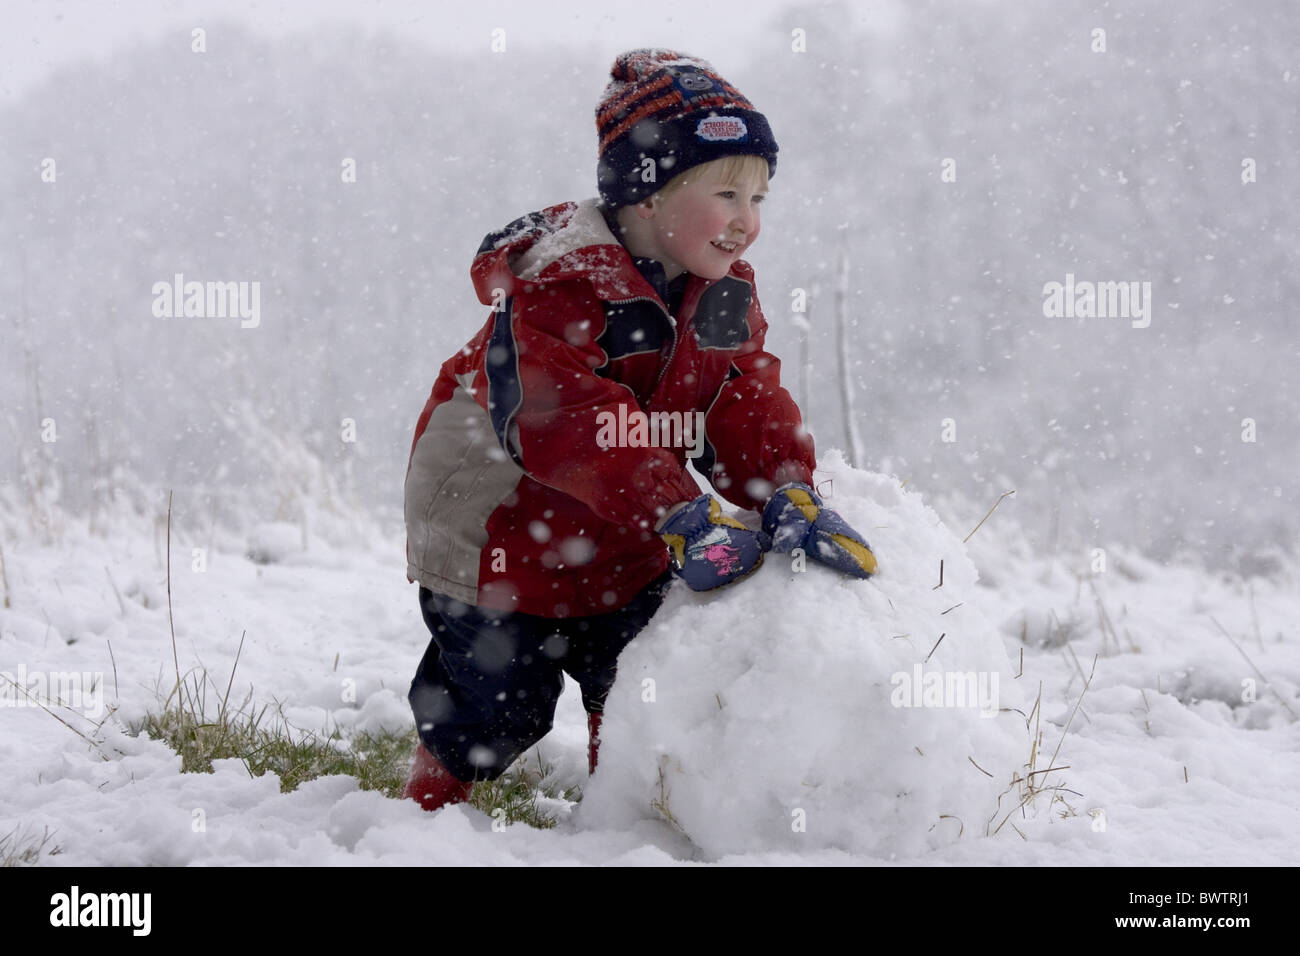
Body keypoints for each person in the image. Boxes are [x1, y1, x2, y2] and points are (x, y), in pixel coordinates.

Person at [401, 48, 878, 812]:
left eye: (760, 197)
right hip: (494, 522)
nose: (747, 223)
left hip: (620, 517)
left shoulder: (722, 292)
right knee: (498, 700)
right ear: (649, 195)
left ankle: (622, 815)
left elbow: (740, 395)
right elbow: (565, 420)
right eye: (727, 193)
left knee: (632, 675)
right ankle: (425, 808)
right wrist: (676, 507)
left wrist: (784, 489)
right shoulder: (562, 283)